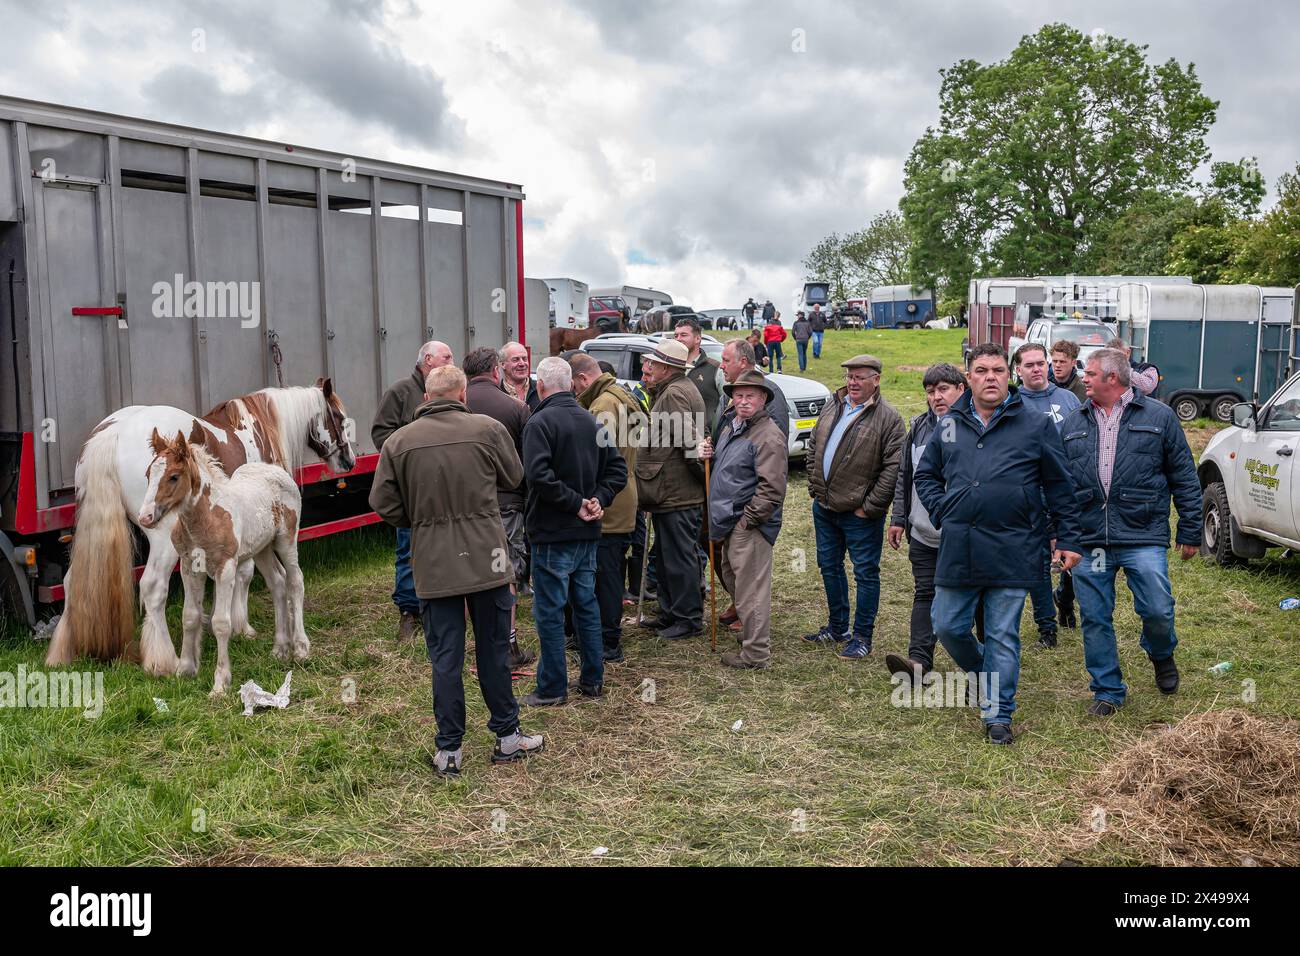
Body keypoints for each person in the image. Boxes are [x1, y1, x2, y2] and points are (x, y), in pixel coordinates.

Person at [368, 364, 542, 776]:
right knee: (494, 651)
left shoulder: (399, 442)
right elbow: (515, 476)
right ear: (462, 395)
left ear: (426, 397)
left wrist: (418, 520)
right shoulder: (487, 430)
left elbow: (382, 501)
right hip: (488, 558)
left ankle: (449, 750)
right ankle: (507, 737)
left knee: (445, 659)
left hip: (433, 563)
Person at [914, 343, 1084, 746]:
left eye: (996, 370)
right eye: (980, 371)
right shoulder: (950, 423)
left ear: (1008, 376)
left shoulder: (1034, 423)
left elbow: (1060, 485)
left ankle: (999, 714)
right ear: (968, 377)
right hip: (960, 543)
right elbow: (926, 476)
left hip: (1015, 543)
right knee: (948, 625)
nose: (990, 377)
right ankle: (980, 674)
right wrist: (944, 510)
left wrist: (1069, 537)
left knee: (1003, 633)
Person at [1062, 348, 1202, 718]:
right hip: (1089, 538)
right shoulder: (1073, 422)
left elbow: (1185, 476)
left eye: (1089, 373)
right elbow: (1057, 485)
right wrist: (1060, 535)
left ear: (1113, 377)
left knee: (1157, 608)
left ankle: (1160, 652)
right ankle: (1107, 689)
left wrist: (1190, 527)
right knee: (1094, 616)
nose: (1083, 378)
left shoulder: (1159, 417)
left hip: (1142, 532)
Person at [519, 357, 627, 706]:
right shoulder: (591, 421)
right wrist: (596, 499)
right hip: (587, 531)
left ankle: (552, 687)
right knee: (586, 605)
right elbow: (617, 471)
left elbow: (538, 476)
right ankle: (592, 680)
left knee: (550, 611)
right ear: (569, 384)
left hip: (554, 532)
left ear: (540, 387)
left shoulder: (539, 423)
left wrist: (582, 501)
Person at [805, 355, 905, 659]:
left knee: (865, 573)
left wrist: (870, 507)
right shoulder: (834, 404)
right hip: (824, 506)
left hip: (860, 514)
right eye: (850, 377)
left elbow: (893, 468)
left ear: (876, 379)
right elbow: (813, 444)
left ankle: (862, 637)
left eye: (860, 377)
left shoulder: (889, 418)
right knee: (829, 567)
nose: (852, 382)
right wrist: (814, 484)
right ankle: (837, 627)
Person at [698, 370, 788, 669]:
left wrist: (746, 521)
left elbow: (771, 490)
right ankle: (752, 632)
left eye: (751, 395)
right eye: (738, 395)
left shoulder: (769, 435)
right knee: (735, 580)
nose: (744, 401)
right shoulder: (731, 428)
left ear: (763, 399)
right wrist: (707, 455)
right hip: (727, 521)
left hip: (748, 525)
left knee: (751, 590)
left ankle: (756, 654)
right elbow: (726, 469)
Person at [885, 363, 967, 682]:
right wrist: (899, 518)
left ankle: (986, 665)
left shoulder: (977, 426)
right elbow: (905, 474)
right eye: (931, 392)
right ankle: (919, 662)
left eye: (943, 389)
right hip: (924, 532)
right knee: (925, 593)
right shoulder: (919, 426)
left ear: (962, 389)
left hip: (966, 535)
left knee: (972, 601)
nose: (936, 397)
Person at [371, 340, 453, 642]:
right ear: (427, 359)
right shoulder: (401, 392)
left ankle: (442, 605)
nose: (451, 360)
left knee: (444, 546)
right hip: (412, 487)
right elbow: (381, 434)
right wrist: (411, 456)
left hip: (445, 486)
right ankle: (409, 612)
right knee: (408, 548)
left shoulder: (450, 391)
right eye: (447, 356)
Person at [462, 346, 536, 669]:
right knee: (506, 572)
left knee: (468, 571)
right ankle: (508, 644)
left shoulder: (456, 408)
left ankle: (472, 644)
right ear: (497, 371)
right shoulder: (517, 409)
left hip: (463, 506)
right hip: (506, 505)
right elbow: (527, 464)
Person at [569, 352, 641, 664]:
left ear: (583, 379)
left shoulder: (602, 406)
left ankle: (608, 642)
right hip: (622, 494)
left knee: (606, 576)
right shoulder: (620, 394)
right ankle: (602, 637)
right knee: (609, 571)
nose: (574, 393)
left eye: (574, 386)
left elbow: (595, 460)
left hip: (609, 500)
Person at [636, 339, 707, 640]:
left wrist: (701, 480)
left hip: (679, 495)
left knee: (679, 559)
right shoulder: (674, 389)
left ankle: (687, 619)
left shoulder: (675, 393)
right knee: (667, 558)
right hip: (673, 493)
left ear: (666, 367)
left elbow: (691, 443)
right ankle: (670, 613)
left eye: (652, 363)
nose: (647, 367)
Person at [1013, 342, 1082, 650]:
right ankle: (1047, 627)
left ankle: (1065, 599)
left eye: (1041, 363)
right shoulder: (1012, 403)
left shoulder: (1068, 398)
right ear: (1018, 370)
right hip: (1029, 496)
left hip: (1068, 491)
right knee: (1038, 565)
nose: (1038, 368)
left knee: (1074, 560)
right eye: (1029, 365)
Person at [674, 316, 726, 433]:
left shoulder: (716, 369)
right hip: (675, 440)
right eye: (676, 335)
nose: (678, 339)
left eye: (683, 335)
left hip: (705, 441)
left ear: (697, 338)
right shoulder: (670, 368)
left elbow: (729, 406)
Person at [500, 341, 539, 409]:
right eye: (515, 360)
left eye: (524, 359)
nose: (522, 364)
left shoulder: (540, 389)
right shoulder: (497, 393)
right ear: (503, 364)